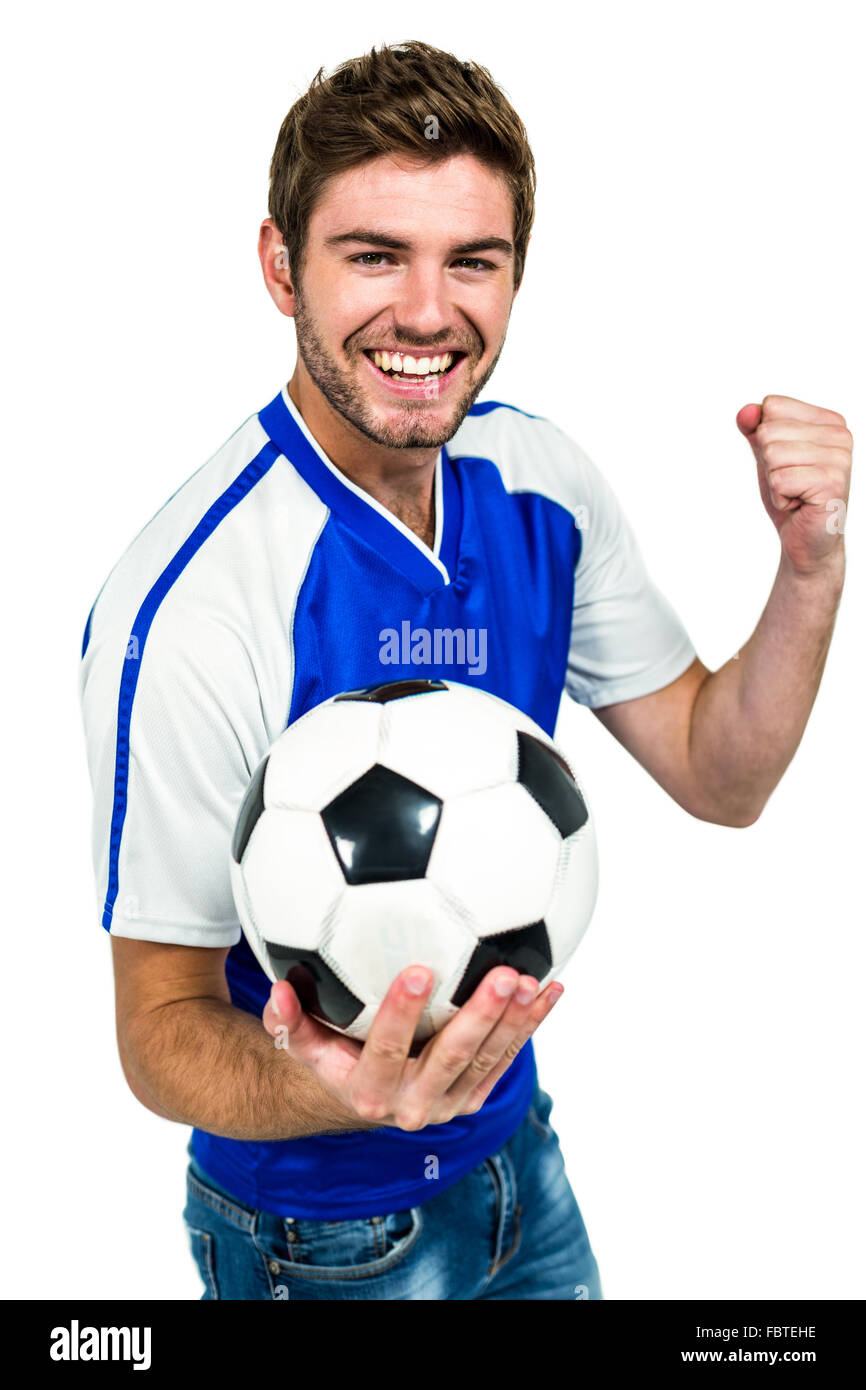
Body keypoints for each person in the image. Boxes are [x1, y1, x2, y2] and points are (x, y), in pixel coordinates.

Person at [78, 40, 850, 1301]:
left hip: (516, 1166)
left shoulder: (540, 482)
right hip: (317, 1240)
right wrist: (332, 1088)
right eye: (374, 255)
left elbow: (722, 773)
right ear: (281, 267)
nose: (428, 313)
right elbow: (154, 1027)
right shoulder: (195, 609)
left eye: (470, 262)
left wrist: (810, 565)